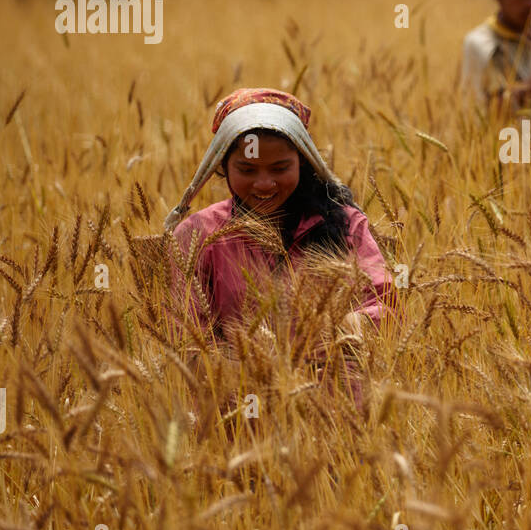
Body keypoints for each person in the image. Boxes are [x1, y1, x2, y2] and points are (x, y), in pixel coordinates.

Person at [162, 87, 392, 414]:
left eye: (281, 168)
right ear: (224, 167)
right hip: (241, 424)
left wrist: (345, 329)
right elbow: (187, 340)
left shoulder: (346, 224)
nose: (265, 183)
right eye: (248, 170)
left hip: (340, 418)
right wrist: (256, 369)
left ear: (304, 162)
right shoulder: (196, 236)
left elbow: (384, 303)